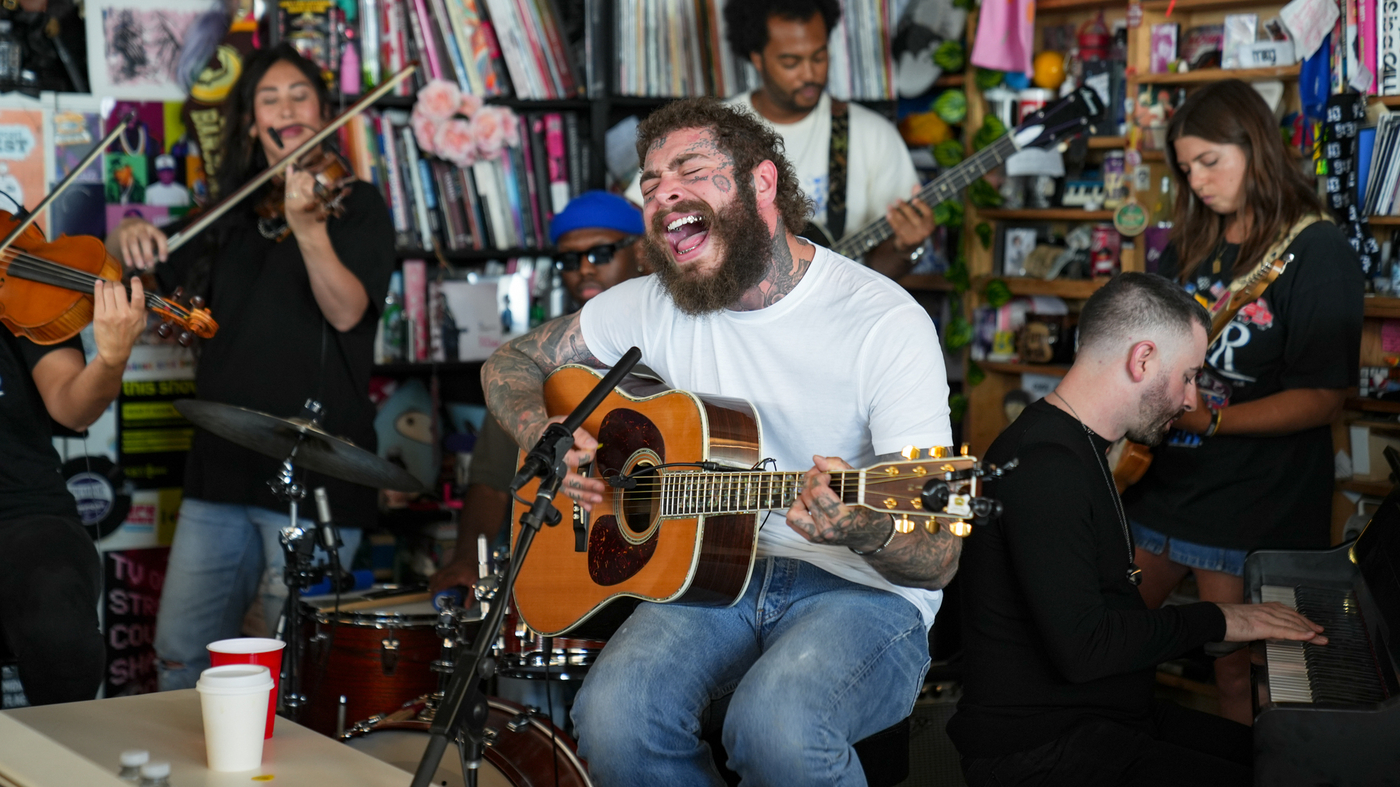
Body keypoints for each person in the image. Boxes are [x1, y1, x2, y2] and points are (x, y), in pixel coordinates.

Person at [482, 98, 956, 784]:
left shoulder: (882, 321)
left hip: (864, 590)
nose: (663, 190)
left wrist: (863, 527)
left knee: (776, 727)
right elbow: (511, 363)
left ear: (763, 184)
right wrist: (545, 431)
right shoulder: (652, 303)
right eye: (650, 184)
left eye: (691, 170)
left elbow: (938, 552)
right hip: (716, 570)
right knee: (612, 715)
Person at [949, 273, 1329, 787]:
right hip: (1039, 750)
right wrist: (1219, 621)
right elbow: (1086, 647)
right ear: (1142, 358)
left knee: (1297, 761)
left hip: (1106, 718)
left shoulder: (1075, 444)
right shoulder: (1045, 466)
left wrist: (1229, 626)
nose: (1192, 400)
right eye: (1189, 376)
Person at [106, 44, 396, 691]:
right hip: (220, 469)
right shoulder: (229, 214)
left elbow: (348, 312)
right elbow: (147, 270)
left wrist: (309, 227)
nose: (287, 109)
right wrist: (128, 231)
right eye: (269, 98)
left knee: (291, 668)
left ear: (324, 111)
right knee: (181, 652)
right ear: (249, 122)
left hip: (319, 473)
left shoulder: (360, 205)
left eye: (299, 95)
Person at [1122, 80, 1365, 725]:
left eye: (1209, 161)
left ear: (1254, 148)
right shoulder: (1199, 237)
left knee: (1238, 674)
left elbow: (1322, 398)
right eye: (1185, 166)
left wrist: (1213, 419)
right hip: (1164, 483)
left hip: (1253, 498)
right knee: (1114, 638)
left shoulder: (1317, 250)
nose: (1195, 180)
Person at [429, 189, 648, 592]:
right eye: (567, 260)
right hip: (570, 566)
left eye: (600, 252)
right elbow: (492, 484)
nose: (583, 269)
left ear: (642, 252)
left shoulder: (669, 329)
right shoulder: (541, 363)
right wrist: (464, 560)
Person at [0, 279, 148, 705]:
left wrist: (111, 359)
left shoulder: (23, 284)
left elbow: (71, 404)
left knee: (59, 618)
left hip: (23, 510)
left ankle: (60, 760)